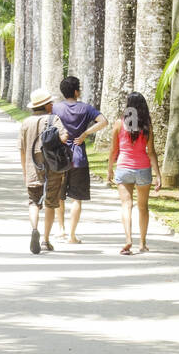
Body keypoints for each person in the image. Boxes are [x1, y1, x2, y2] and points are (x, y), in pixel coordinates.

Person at [51, 75, 108, 244]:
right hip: (78, 158)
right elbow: (104, 121)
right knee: (77, 198)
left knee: (59, 196)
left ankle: (60, 229)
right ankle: (72, 235)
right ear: (76, 91)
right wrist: (86, 133)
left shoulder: (55, 108)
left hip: (60, 157)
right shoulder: (86, 108)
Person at [107, 92, 161, 253]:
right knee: (143, 207)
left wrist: (110, 169)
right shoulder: (147, 126)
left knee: (126, 205)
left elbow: (113, 150)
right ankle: (142, 243)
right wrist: (158, 175)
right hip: (143, 168)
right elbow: (151, 152)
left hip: (124, 168)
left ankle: (128, 238)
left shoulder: (119, 124)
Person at [19, 89, 71, 254]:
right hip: (52, 168)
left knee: (33, 201)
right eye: (51, 103)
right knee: (51, 203)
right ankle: (46, 240)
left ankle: (34, 228)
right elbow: (65, 137)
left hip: (32, 168)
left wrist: (25, 170)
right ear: (47, 106)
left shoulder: (26, 123)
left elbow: (21, 149)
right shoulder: (53, 119)